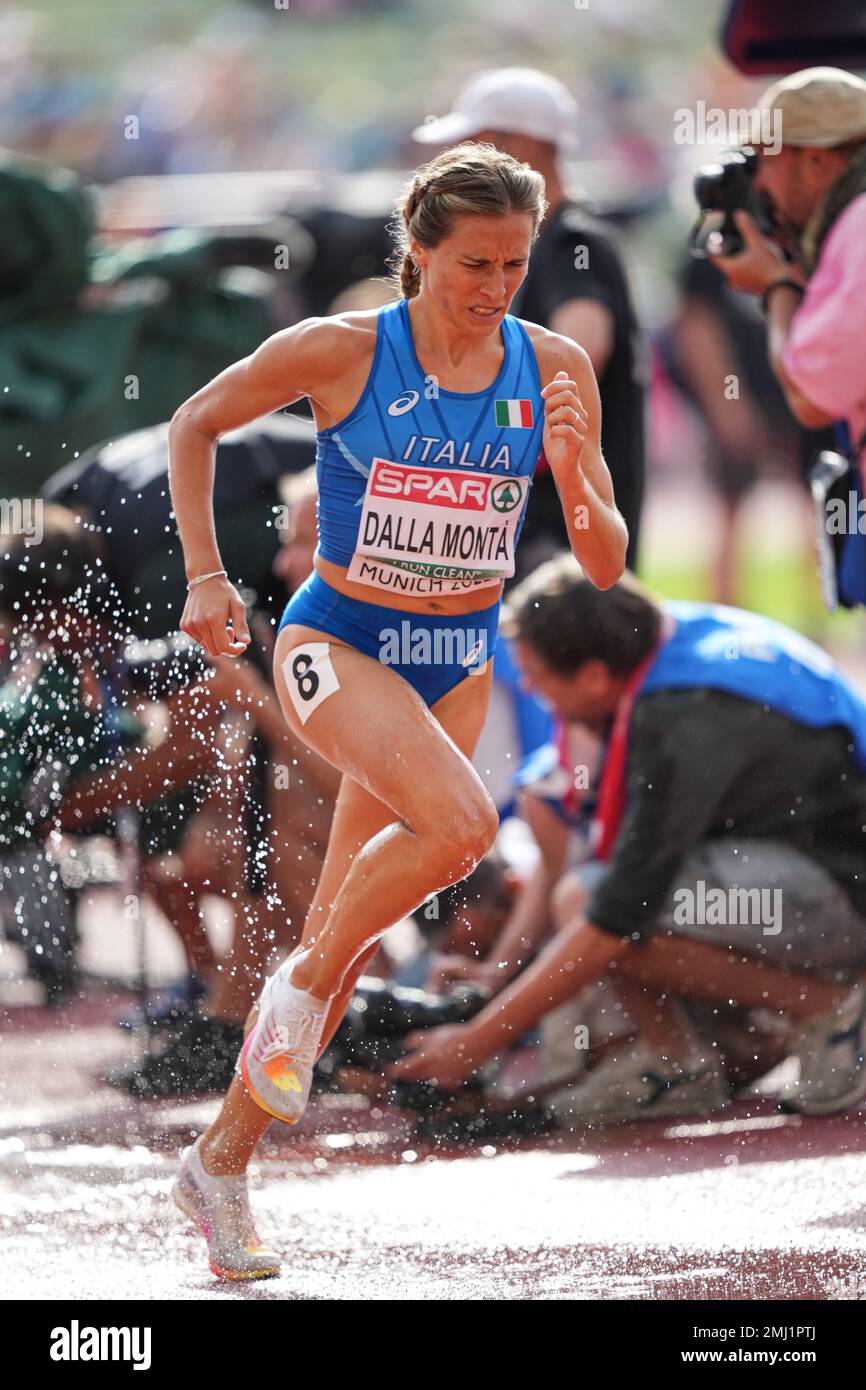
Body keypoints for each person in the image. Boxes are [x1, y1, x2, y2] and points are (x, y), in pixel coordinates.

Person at [166, 141, 627, 1279]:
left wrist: (575, 477)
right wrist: (206, 577)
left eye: (513, 265)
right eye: (473, 264)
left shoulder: (554, 361)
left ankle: (219, 1165)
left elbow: (605, 568)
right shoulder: (342, 350)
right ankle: (306, 980)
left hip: (453, 658)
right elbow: (193, 423)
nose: (494, 288)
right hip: (337, 644)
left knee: (361, 913)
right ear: (415, 253)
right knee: (461, 830)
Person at [394, 555, 866, 1126]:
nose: (544, 703)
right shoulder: (667, 650)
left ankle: (828, 1013)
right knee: (592, 896)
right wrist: (498, 975)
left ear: (592, 675)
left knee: (599, 906)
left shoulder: (681, 714)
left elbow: (616, 913)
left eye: (542, 685)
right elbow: (580, 848)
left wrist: (478, 1039)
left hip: (842, 896)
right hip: (807, 872)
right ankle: (688, 1056)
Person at [412, 68, 646, 572]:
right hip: (546, 526)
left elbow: (580, 354)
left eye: (470, 144)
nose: (455, 162)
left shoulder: (569, 242)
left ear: (513, 145)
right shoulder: (551, 237)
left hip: (558, 537)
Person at [709, 66, 866, 607]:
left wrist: (776, 286)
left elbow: (810, 400)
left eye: (768, 163)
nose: (761, 186)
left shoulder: (859, 231)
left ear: (817, 158)